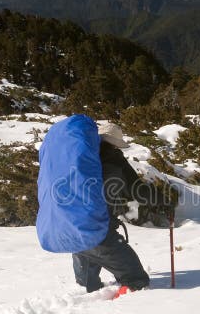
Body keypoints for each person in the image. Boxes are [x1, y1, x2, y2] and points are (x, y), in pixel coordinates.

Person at [72, 122, 170, 295]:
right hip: (100, 233)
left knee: (86, 283)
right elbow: (138, 191)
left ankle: (88, 292)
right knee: (138, 281)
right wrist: (163, 201)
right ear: (115, 143)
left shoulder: (80, 156)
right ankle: (121, 303)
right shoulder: (113, 158)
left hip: (74, 229)